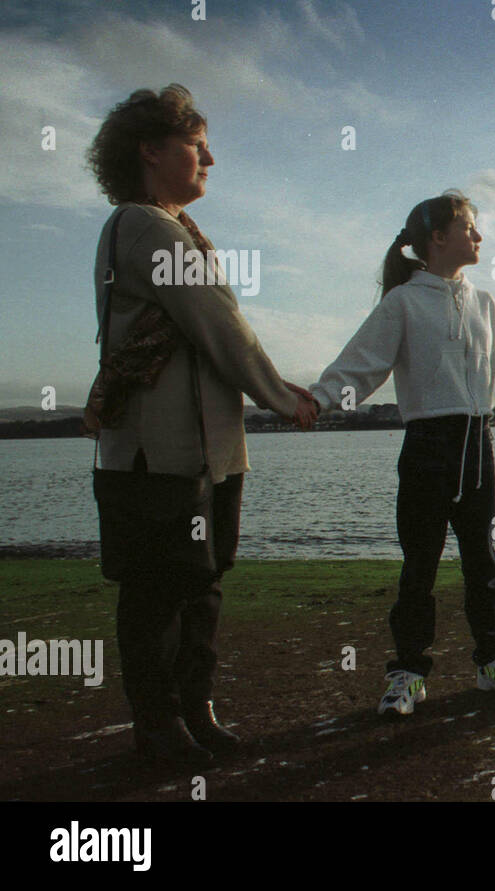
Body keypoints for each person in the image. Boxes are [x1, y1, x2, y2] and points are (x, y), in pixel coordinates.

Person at [85, 84, 318, 765]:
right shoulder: (144, 226)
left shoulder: (172, 229)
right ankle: (158, 727)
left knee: (202, 584)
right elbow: (219, 323)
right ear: (151, 150)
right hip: (159, 455)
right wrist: (281, 396)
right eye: (196, 144)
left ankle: (194, 709)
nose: (210, 156)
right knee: (159, 592)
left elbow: (210, 327)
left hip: (206, 453)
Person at [307, 191, 495, 716]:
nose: (479, 236)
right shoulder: (401, 303)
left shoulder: (487, 305)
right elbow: (358, 368)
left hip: (477, 447)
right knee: (418, 565)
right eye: (469, 226)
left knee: (482, 561)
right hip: (426, 447)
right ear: (437, 238)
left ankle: (494, 662)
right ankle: (406, 676)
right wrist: (310, 402)